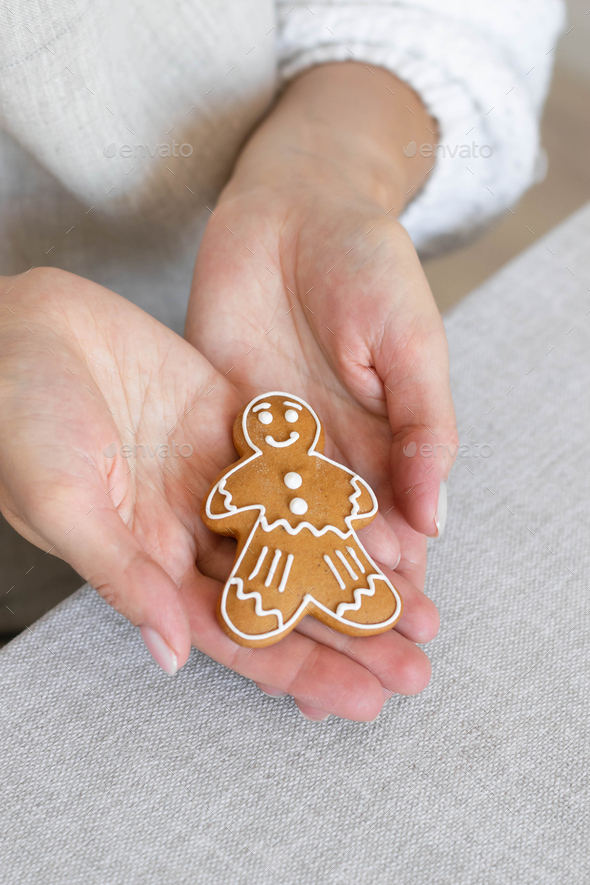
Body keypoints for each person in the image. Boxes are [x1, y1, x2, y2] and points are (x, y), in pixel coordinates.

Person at [0, 1, 564, 721]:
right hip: (128, 480)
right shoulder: (251, 474)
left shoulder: (285, 461)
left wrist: (326, 167)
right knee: (262, 581)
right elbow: (231, 503)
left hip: (239, 298)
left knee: (337, 573)